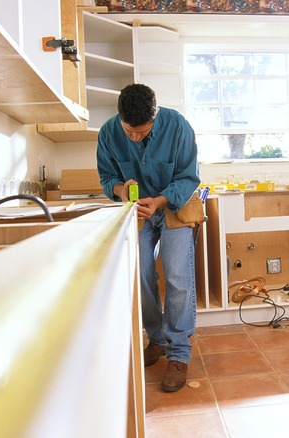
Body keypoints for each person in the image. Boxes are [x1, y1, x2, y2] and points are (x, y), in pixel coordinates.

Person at [96, 84, 200, 393]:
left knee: (178, 275)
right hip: (136, 211)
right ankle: (156, 338)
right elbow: (106, 178)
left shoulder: (178, 126)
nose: (135, 138)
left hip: (173, 206)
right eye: (130, 132)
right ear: (121, 119)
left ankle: (179, 352)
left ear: (154, 117)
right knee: (140, 275)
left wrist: (159, 200)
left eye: (142, 133)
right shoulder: (108, 133)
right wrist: (120, 189)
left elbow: (188, 177)